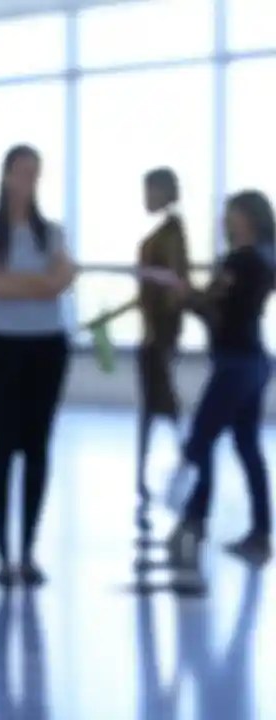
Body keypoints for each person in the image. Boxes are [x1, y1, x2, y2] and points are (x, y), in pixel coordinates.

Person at [0, 145, 77, 587]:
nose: (28, 182)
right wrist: (41, 283)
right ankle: (2, 552)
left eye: (36, 174)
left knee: (36, 448)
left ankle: (28, 551)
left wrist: (13, 283)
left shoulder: (51, 232)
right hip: (0, 348)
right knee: (2, 445)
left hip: (46, 348)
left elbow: (63, 282)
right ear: (6, 175)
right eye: (21, 173)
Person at [162, 190, 276, 566]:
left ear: (249, 217)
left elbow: (222, 312)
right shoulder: (260, 260)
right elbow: (220, 310)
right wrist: (194, 299)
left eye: (231, 212)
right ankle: (259, 533)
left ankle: (192, 522)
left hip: (236, 365)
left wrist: (189, 297)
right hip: (251, 361)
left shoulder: (243, 262)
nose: (225, 218)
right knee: (245, 446)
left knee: (201, 441)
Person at [88, 169, 191, 527]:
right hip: (155, 330)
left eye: (149, 190)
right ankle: (160, 468)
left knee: (159, 401)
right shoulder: (164, 234)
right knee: (155, 401)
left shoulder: (170, 234)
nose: (145, 197)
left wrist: (152, 284)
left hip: (161, 332)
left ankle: (180, 465)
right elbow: (149, 291)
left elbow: (175, 284)